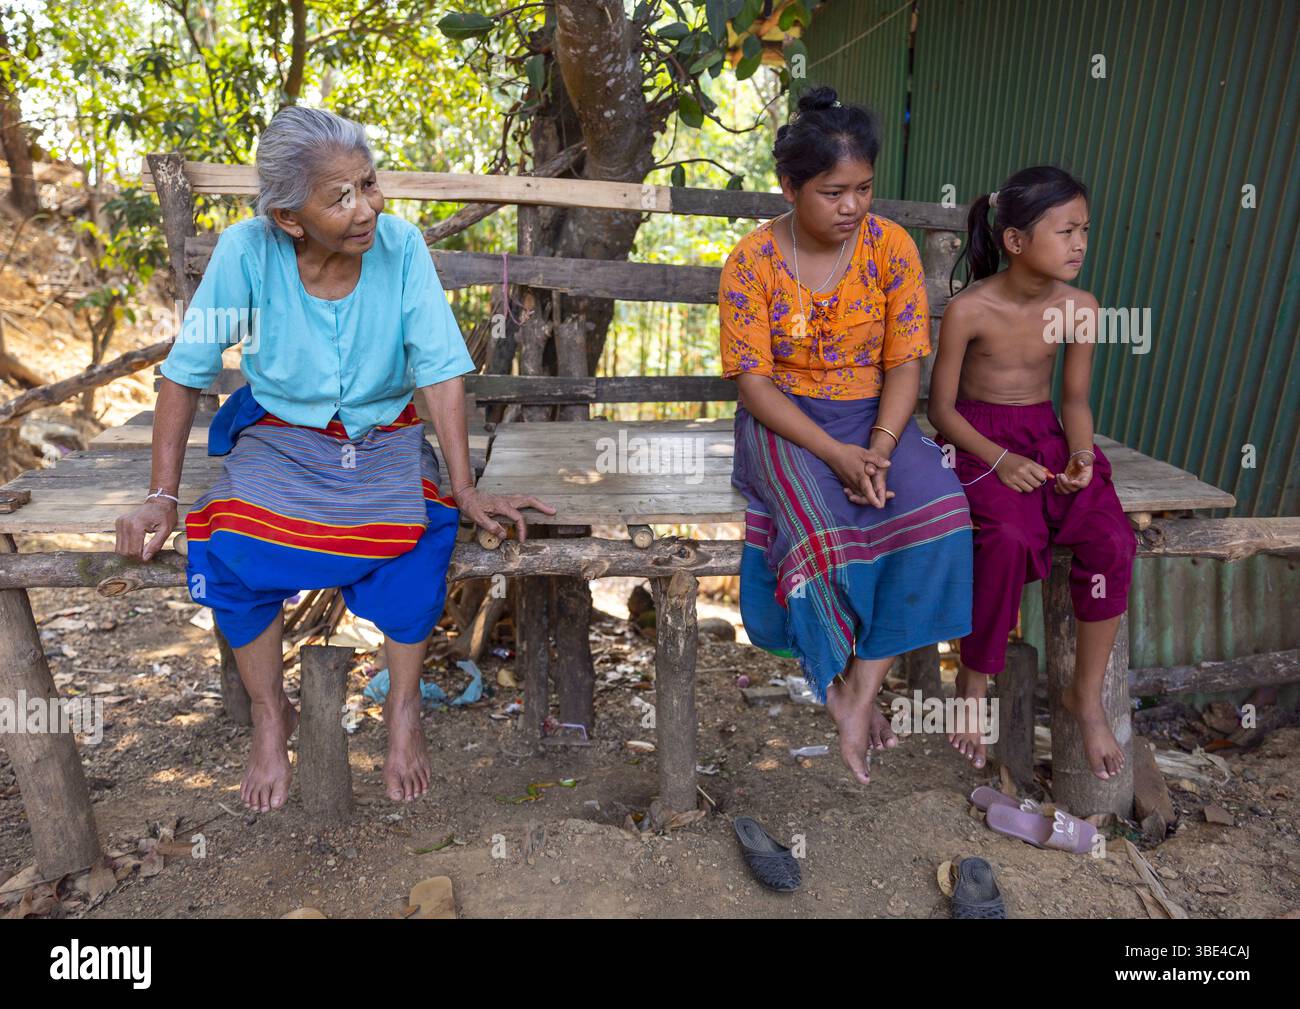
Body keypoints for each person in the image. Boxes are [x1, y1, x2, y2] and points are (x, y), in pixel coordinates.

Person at [115, 106, 554, 811]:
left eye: (369, 185)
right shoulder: (248, 252)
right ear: (290, 218)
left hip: (383, 435)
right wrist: (161, 496)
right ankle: (269, 713)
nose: (367, 207)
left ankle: (404, 706)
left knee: (422, 535)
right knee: (228, 540)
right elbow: (186, 371)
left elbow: (440, 370)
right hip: (282, 435)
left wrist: (467, 489)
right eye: (341, 196)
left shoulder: (401, 247)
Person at [719, 86, 974, 786]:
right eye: (834, 192)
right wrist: (836, 454)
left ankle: (861, 688)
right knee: (812, 529)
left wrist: (883, 447)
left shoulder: (890, 249)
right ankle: (830, 679)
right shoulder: (752, 263)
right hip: (786, 423)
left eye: (863, 188)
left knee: (943, 511)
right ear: (789, 186)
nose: (853, 206)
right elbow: (755, 385)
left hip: (876, 419)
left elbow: (903, 364)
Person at [927, 165, 1135, 779]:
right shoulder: (972, 308)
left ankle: (1085, 696)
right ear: (1016, 241)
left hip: (1048, 438)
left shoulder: (1080, 308)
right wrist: (999, 459)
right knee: (1009, 539)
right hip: (977, 443)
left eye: (1085, 230)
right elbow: (941, 410)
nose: (1080, 244)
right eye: (1066, 231)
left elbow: (1073, 402)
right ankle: (973, 679)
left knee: (1112, 538)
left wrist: (1081, 458)